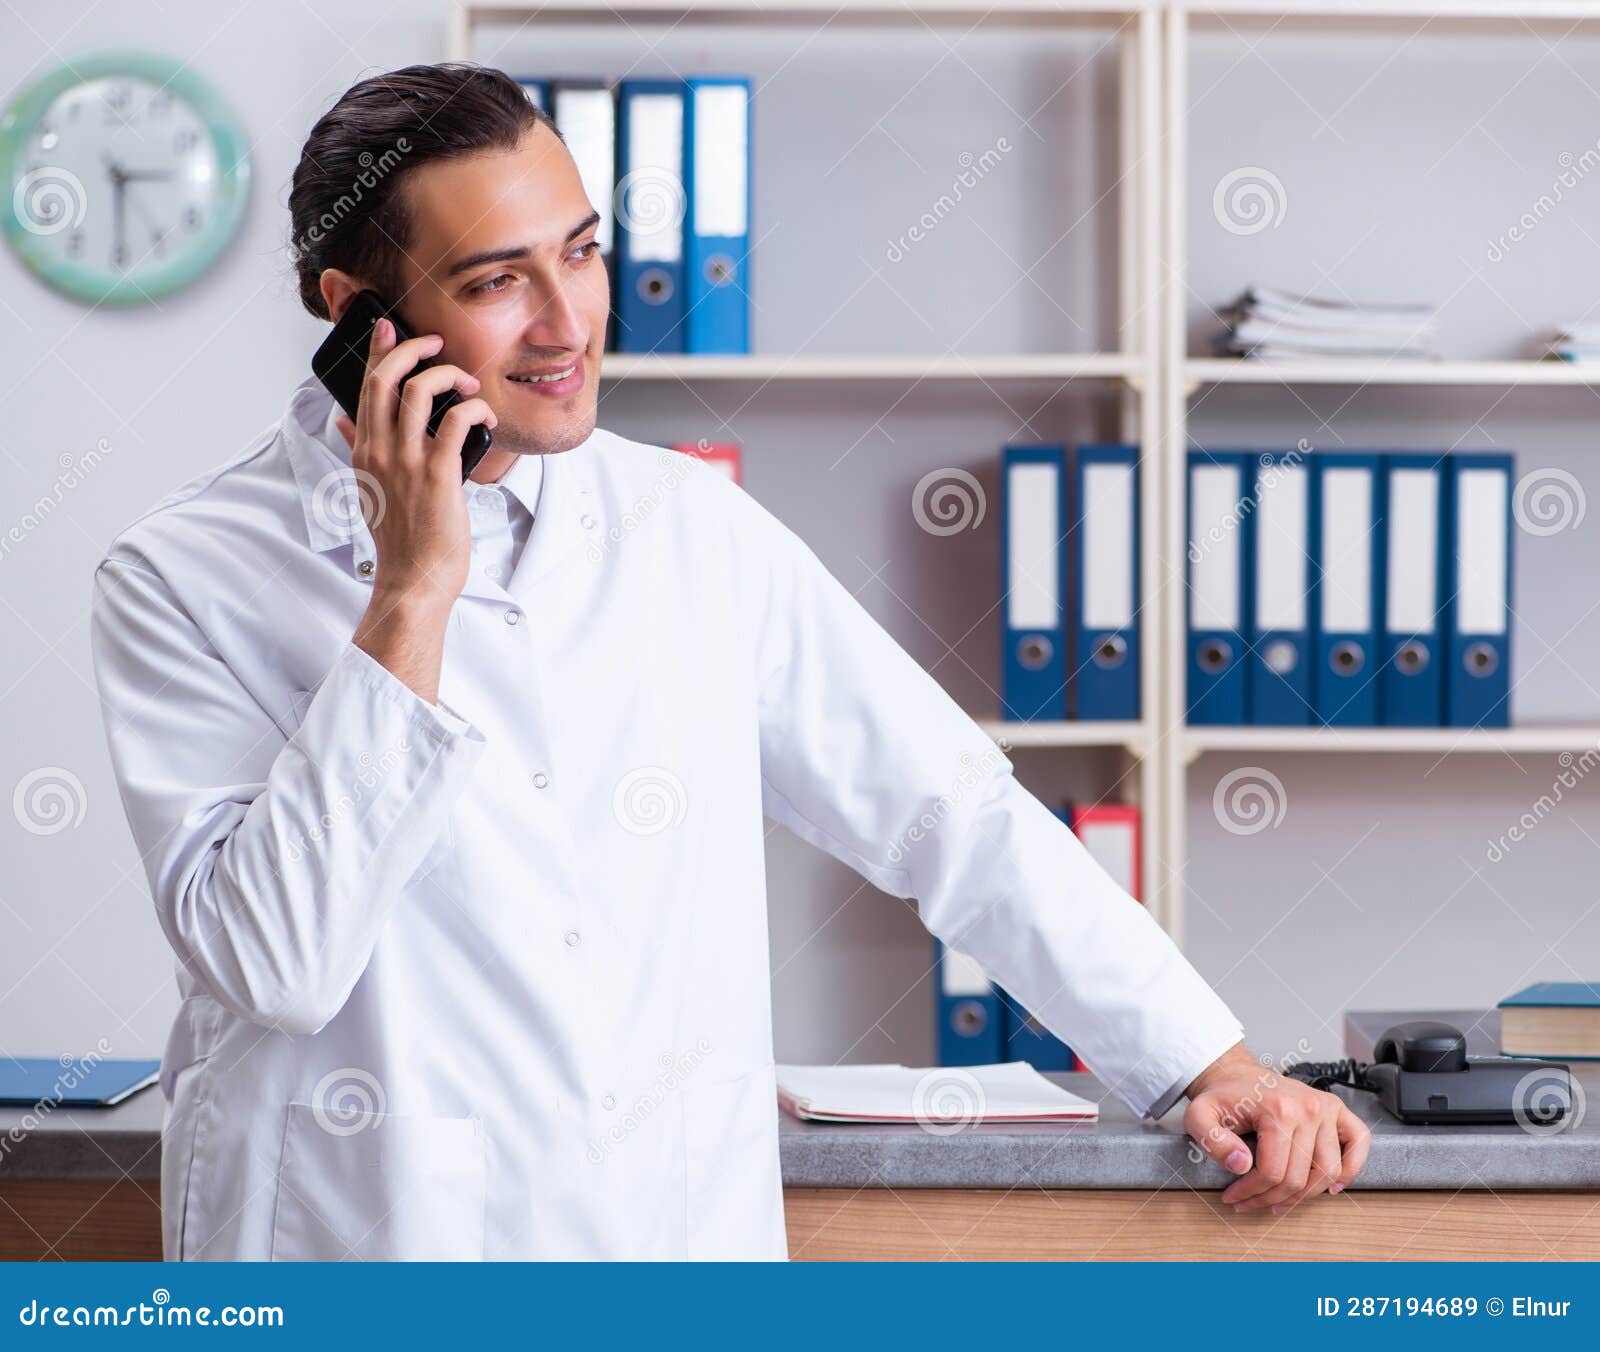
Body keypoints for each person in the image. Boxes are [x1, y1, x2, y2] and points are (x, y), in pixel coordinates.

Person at [89, 62, 1369, 1261]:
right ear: (357, 314)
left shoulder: (687, 527)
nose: (564, 321)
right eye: (494, 281)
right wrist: (411, 591)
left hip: (664, 1235)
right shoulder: (185, 576)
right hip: (363, 1242)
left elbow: (954, 817)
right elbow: (275, 963)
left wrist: (1207, 1061)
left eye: (580, 252)